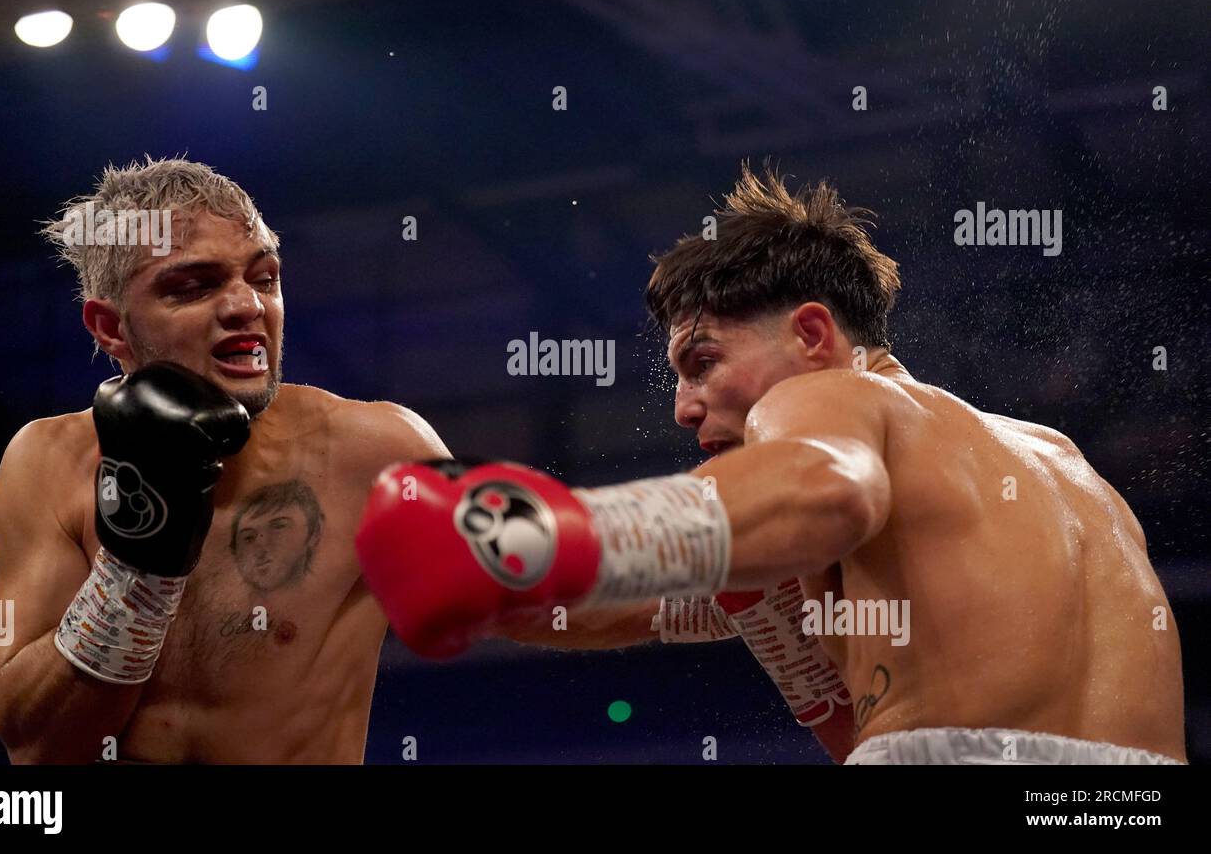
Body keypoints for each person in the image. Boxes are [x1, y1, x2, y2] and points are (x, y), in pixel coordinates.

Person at [357, 163, 1187, 765]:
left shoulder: (838, 399)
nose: (684, 407)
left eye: (703, 360)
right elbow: (643, 600)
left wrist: (536, 536)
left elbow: (827, 488)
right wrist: (487, 589)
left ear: (813, 336)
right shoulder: (1064, 469)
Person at [0, 158, 449, 764]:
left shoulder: (374, 452)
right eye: (193, 286)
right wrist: (139, 563)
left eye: (263, 278)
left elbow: (555, 585)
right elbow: (35, 741)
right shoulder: (44, 463)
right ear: (111, 327)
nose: (246, 307)